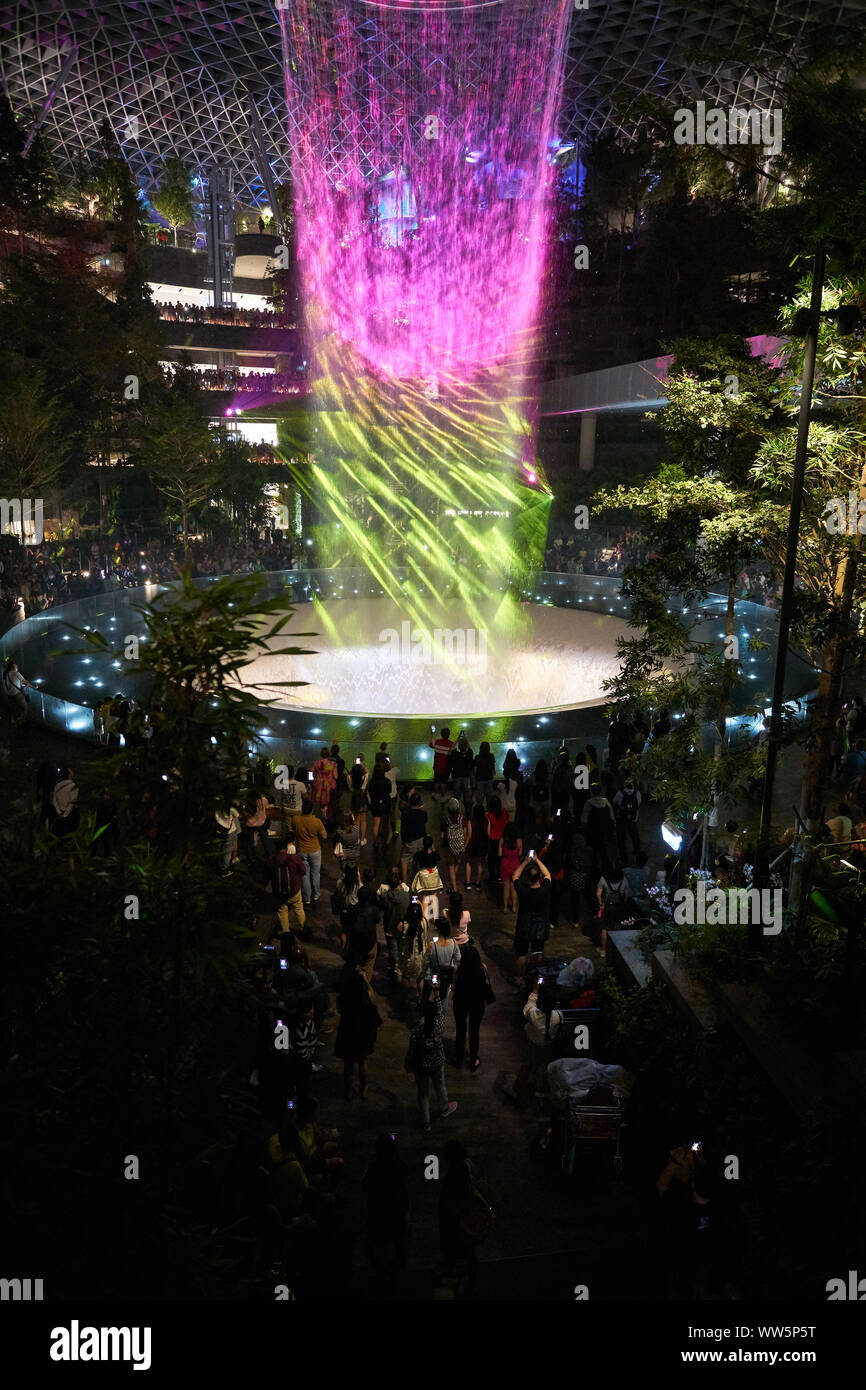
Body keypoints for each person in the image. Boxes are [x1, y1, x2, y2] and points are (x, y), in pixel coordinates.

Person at [404, 989, 458, 1132]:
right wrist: (437, 995)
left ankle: (426, 1121)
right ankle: (444, 1108)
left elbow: (411, 1050)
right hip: (437, 1062)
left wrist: (408, 1064)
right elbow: (440, 1012)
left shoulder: (417, 1032)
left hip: (421, 1066)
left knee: (423, 1093)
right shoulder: (439, 1025)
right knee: (440, 1085)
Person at [362, 1134, 410, 1279]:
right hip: (396, 1213)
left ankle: (382, 1273)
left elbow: (364, 1186)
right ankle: (396, 1272)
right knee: (397, 1242)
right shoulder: (400, 1167)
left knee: (379, 1246)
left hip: (378, 1214)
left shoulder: (374, 1168)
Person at [334, 965, 382, 1101]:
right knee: (362, 1061)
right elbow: (371, 993)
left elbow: (339, 1008)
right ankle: (364, 1088)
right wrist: (365, 979)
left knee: (348, 1063)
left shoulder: (345, 994)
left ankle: (349, 1090)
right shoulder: (366, 995)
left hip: (347, 1029)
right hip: (363, 1030)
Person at [511, 854, 552, 987]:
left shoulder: (523, 891)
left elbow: (515, 876)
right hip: (540, 926)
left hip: (524, 925)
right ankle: (537, 979)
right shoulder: (545, 888)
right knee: (538, 952)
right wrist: (536, 859)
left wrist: (525, 862)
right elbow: (547, 874)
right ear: (539, 877)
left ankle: (518, 978)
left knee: (521, 953)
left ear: (527, 879)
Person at [452, 943, 492, 1071]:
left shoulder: (458, 970)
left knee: (460, 1030)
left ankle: (459, 1059)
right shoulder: (482, 968)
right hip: (477, 1003)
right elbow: (487, 983)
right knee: (474, 1031)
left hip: (460, 1001)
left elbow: (454, 985)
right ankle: (473, 1061)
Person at [267, 839, 307, 936]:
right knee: (299, 909)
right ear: (286, 848)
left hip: (279, 894)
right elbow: (303, 871)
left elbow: (266, 876)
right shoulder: (294, 859)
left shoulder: (271, 861)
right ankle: (303, 929)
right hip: (294, 891)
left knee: (282, 912)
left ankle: (286, 933)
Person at [292, 798, 328, 906]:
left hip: (302, 851)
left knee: (304, 875)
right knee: (315, 874)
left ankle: (307, 898)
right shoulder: (317, 821)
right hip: (315, 850)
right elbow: (324, 836)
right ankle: (316, 895)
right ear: (312, 810)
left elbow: (293, 831)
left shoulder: (296, 819)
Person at [378, 866, 411, 975]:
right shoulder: (406, 895)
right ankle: (401, 969)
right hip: (402, 928)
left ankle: (394, 970)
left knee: (393, 951)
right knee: (402, 949)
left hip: (390, 928)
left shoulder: (385, 896)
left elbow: (381, 908)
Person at [397, 898, 428, 1001]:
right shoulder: (424, 922)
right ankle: (420, 998)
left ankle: (405, 998)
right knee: (420, 978)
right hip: (421, 956)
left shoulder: (403, 925)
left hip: (407, 956)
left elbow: (398, 935)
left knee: (406, 977)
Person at [424, 918, 461, 1006]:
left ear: (438, 930)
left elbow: (425, 962)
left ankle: (429, 1009)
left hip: (434, 975)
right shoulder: (453, 943)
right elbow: (458, 959)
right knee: (443, 996)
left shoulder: (432, 946)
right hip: (447, 975)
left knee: (430, 992)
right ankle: (441, 1011)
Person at [441, 797, 471, 892]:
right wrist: (463, 845)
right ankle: (454, 880)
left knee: (451, 866)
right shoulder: (462, 819)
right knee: (457, 863)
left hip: (449, 847)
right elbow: (465, 833)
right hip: (460, 846)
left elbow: (442, 836)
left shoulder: (445, 820)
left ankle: (454, 888)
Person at [412, 835, 443, 923]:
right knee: (434, 897)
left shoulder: (419, 854)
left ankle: (425, 919)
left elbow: (415, 862)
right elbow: (438, 858)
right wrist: (433, 848)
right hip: (433, 877)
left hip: (424, 876)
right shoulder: (434, 854)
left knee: (425, 896)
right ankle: (436, 919)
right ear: (431, 844)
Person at [399, 788, 427, 882]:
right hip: (421, 839)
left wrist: (403, 840)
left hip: (410, 840)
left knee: (404, 859)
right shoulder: (423, 813)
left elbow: (403, 828)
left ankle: (404, 881)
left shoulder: (405, 814)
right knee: (420, 859)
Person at [613, 778, 642, 861]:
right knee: (634, 835)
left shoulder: (619, 793)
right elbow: (639, 803)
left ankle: (623, 855)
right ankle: (637, 850)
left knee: (621, 837)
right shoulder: (638, 793)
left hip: (622, 818)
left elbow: (614, 801)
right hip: (633, 818)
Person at [366, 764, 392, 849]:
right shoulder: (387, 781)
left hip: (375, 804)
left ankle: (375, 843)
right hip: (386, 804)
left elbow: (369, 793)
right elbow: (389, 791)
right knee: (385, 825)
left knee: (376, 825)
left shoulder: (372, 781)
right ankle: (384, 843)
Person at [499, 820, 522, 913]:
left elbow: (499, 854)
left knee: (506, 887)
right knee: (514, 887)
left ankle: (505, 907)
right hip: (515, 865)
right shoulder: (519, 841)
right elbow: (520, 854)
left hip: (505, 865)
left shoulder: (502, 841)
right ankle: (514, 907)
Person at [242, 788, 271, 861]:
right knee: (265, 840)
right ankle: (268, 855)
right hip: (261, 822)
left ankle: (251, 857)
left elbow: (244, 811)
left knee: (250, 842)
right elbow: (268, 809)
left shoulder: (247, 801)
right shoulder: (263, 800)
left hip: (250, 823)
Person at [486, 794, 508, 885]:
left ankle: (492, 877)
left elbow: (488, 830)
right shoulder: (504, 812)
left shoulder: (489, 815)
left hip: (493, 840)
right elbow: (506, 823)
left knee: (491, 859)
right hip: (502, 839)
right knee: (500, 858)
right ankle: (499, 875)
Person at [2, 658, 31, 726]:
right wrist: (34, 686)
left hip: (9, 696)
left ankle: (13, 722)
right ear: (13, 667)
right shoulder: (16, 673)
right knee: (25, 708)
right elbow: (25, 682)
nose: (17, 666)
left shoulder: (6, 674)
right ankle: (19, 721)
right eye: (16, 666)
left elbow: (12, 684)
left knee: (14, 710)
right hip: (17, 695)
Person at [312, 746, 338, 823]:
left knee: (321, 803)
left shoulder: (316, 762)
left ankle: (322, 818)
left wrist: (317, 776)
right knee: (328, 802)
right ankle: (326, 818)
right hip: (328, 785)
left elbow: (311, 772)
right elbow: (336, 776)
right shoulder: (332, 763)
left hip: (319, 785)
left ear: (321, 754)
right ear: (328, 754)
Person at [449, 731, 474, 809]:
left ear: (459, 747)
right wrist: (464, 738)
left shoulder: (455, 754)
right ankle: (467, 809)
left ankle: (456, 809)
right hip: (466, 777)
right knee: (466, 794)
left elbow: (452, 747)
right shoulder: (469, 753)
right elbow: (470, 748)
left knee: (457, 795)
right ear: (466, 746)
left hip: (456, 777)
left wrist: (458, 738)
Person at [51, 767, 80, 835]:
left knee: (59, 833)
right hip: (71, 814)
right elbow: (72, 802)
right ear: (68, 774)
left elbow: (54, 800)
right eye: (71, 772)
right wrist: (65, 815)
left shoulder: (57, 785)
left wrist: (58, 812)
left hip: (59, 813)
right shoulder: (73, 786)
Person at [467, 803, 489, 890]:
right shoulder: (486, 821)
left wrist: (465, 846)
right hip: (482, 844)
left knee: (469, 863)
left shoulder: (471, 822)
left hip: (473, 844)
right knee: (480, 864)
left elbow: (469, 836)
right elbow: (488, 834)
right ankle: (478, 883)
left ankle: (468, 883)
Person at [429, 726, 454, 801]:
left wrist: (432, 733)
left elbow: (430, 744)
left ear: (441, 734)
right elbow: (453, 754)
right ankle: (443, 796)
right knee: (444, 782)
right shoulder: (451, 744)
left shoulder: (437, 742)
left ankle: (437, 795)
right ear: (449, 734)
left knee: (436, 781)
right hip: (446, 767)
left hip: (437, 766)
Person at [348, 754, 369, 844]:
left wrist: (354, 766)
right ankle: (362, 839)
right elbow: (367, 771)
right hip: (362, 798)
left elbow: (350, 788)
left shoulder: (349, 777)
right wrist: (361, 765)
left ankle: (356, 839)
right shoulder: (365, 776)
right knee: (363, 820)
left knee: (356, 819)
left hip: (354, 798)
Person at [472, 740, 495, 808]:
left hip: (479, 779)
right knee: (489, 796)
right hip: (489, 778)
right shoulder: (491, 756)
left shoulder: (477, 757)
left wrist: (474, 778)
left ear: (480, 748)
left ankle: (480, 810)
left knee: (479, 797)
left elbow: (475, 769)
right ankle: (489, 809)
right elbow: (493, 767)